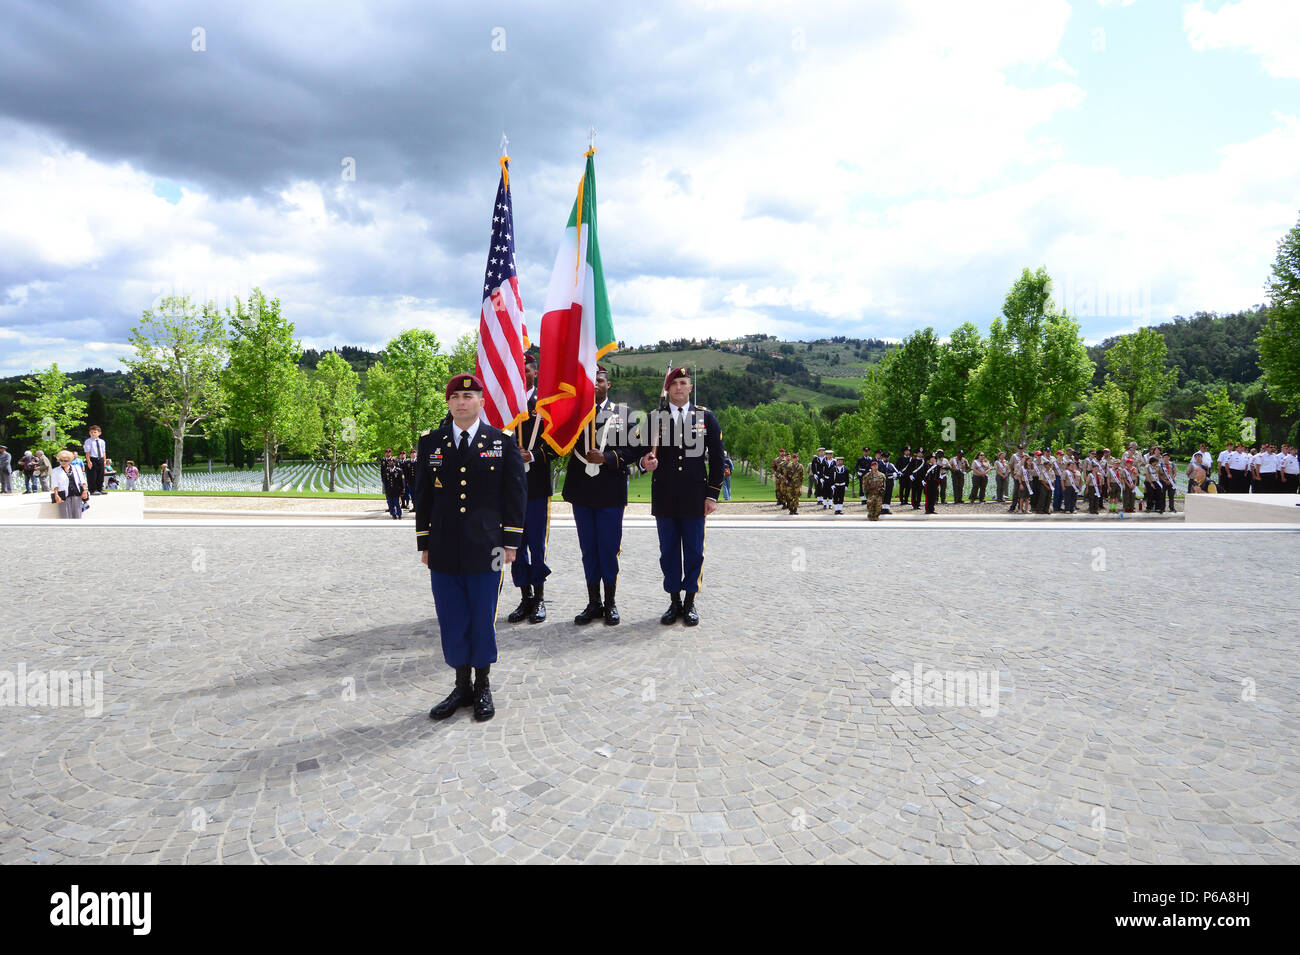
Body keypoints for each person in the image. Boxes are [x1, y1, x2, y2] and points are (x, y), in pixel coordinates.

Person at [417, 373, 527, 723]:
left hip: (487, 548)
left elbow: (514, 495)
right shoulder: (430, 442)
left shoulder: (501, 441)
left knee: (481, 617)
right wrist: (424, 542)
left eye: (469, 395)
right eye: (455, 397)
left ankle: (482, 686)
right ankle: (460, 686)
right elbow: (422, 496)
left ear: (481, 401)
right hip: (444, 546)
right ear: (448, 403)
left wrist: (510, 542)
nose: (462, 401)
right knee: (452, 617)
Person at [636, 366, 723, 626]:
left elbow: (718, 460)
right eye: (674, 384)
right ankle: (674, 601)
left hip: (695, 497)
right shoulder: (654, 419)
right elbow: (639, 454)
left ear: (690, 387)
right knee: (669, 552)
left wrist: (712, 496)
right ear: (668, 388)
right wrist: (644, 462)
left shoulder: (705, 418)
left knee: (695, 551)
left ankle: (690, 602)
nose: (679, 388)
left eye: (683, 383)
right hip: (664, 496)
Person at [563, 364, 637, 626]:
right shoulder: (574, 414)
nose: (596, 384)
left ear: (608, 385)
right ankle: (593, 603)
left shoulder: (624, 414)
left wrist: (606, 458)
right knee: (589, 550)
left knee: (608, 549)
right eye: (591, 380)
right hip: (582, 492)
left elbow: (634, 450)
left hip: (610, 492)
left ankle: (611, 603)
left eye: (600, 380)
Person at [507, 351, 558, 625]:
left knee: (537, 545)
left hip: (537, 486)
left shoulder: (544, 404)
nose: (523, 373)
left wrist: (534, 454)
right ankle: (524, 596)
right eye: (519, 369)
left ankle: (539, 598)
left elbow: (559, 442)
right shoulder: (506, 405)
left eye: (527, 369)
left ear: (535, 372)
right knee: (515, 544)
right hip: (511, 488)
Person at [52, 450, 89, 519]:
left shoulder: (76, 468)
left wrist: (85, 491)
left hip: (76, 494)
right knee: (65, 516)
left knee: (77, 516)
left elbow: (82, 480)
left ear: (70, 460)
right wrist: (56, 495)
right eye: (61, 460)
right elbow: (55, 484)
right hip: (63, 495)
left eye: (65, 460)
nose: (63, 462)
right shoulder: (55, 470)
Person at [83, 425, 107, 495]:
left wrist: (104, 460)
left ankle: (100, 488)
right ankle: (93, 489)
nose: (93, 434)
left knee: (100, 474)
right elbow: (87, 452)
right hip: (92, 458)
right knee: (92, 475)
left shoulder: (102, 441)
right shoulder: (88, 441)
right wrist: (88, 461)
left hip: (100, 459)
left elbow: (103, 451)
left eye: (95, 432)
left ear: (99, 433)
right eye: (91, 432)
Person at [381, 451, 406, 519]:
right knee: (390, 504)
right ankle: (393, 514)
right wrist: (386, 490)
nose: (390, 463)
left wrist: (402, 490)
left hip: (396, 490)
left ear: (394, 463)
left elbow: (402, 481)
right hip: (389, 490)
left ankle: (399, 514)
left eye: (392, 462)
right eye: (389, 462)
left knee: (396, 503)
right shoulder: (386, 471)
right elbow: (385, 481)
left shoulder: (399, 471)